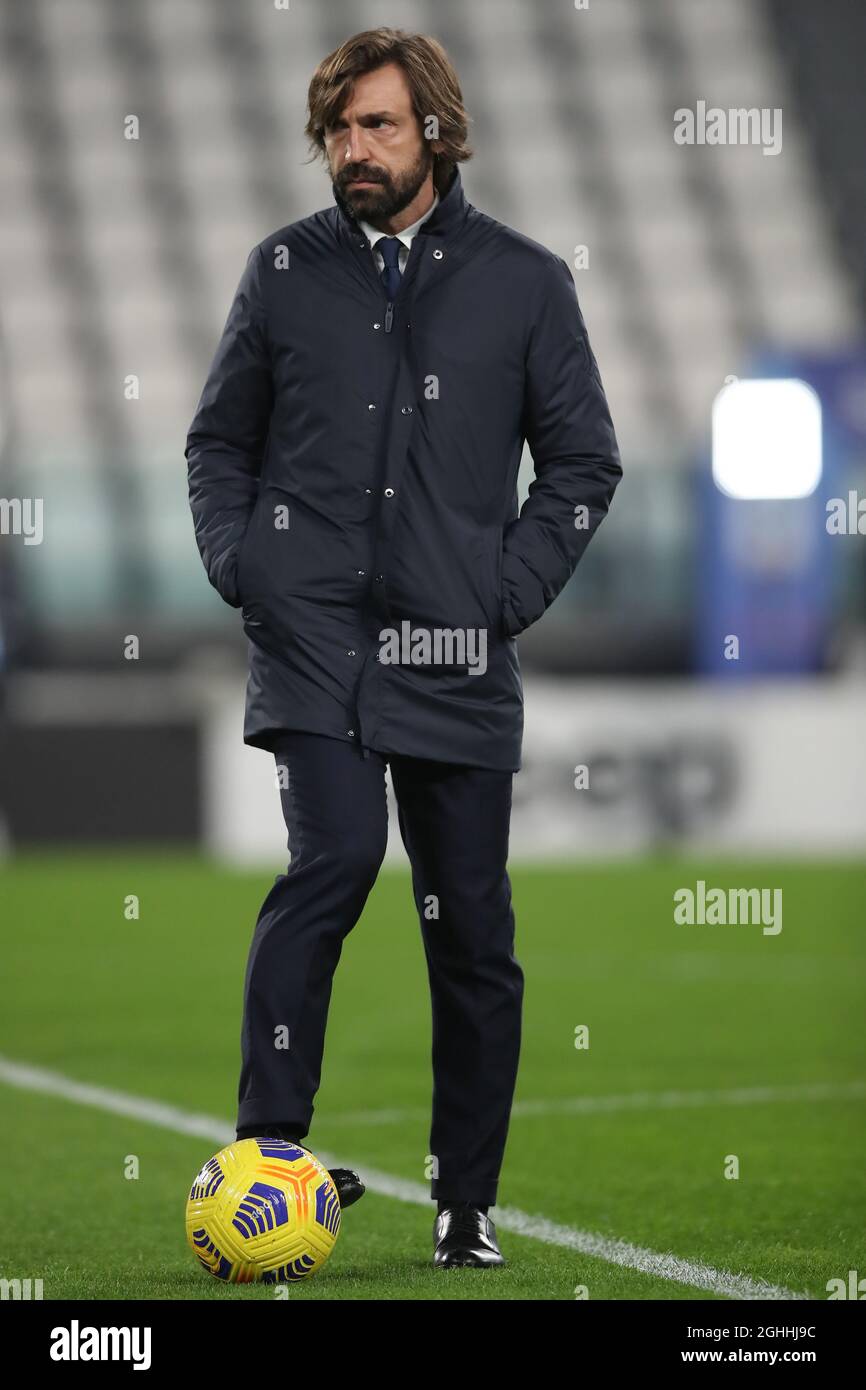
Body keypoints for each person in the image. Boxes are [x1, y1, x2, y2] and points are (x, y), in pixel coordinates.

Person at [186, 27, 621, 1268]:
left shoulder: (525, 282)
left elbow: (584, 462)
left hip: (455, 646)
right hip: (313, 634)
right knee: (333, 861)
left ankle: (464, 1202)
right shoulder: (281, 272)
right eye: (336, 129)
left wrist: (505, 589)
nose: (352, 150)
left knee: (472, 927)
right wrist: (242, 562)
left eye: (376, 125)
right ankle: (269, 1149)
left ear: (434, 128)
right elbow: (216, 444)